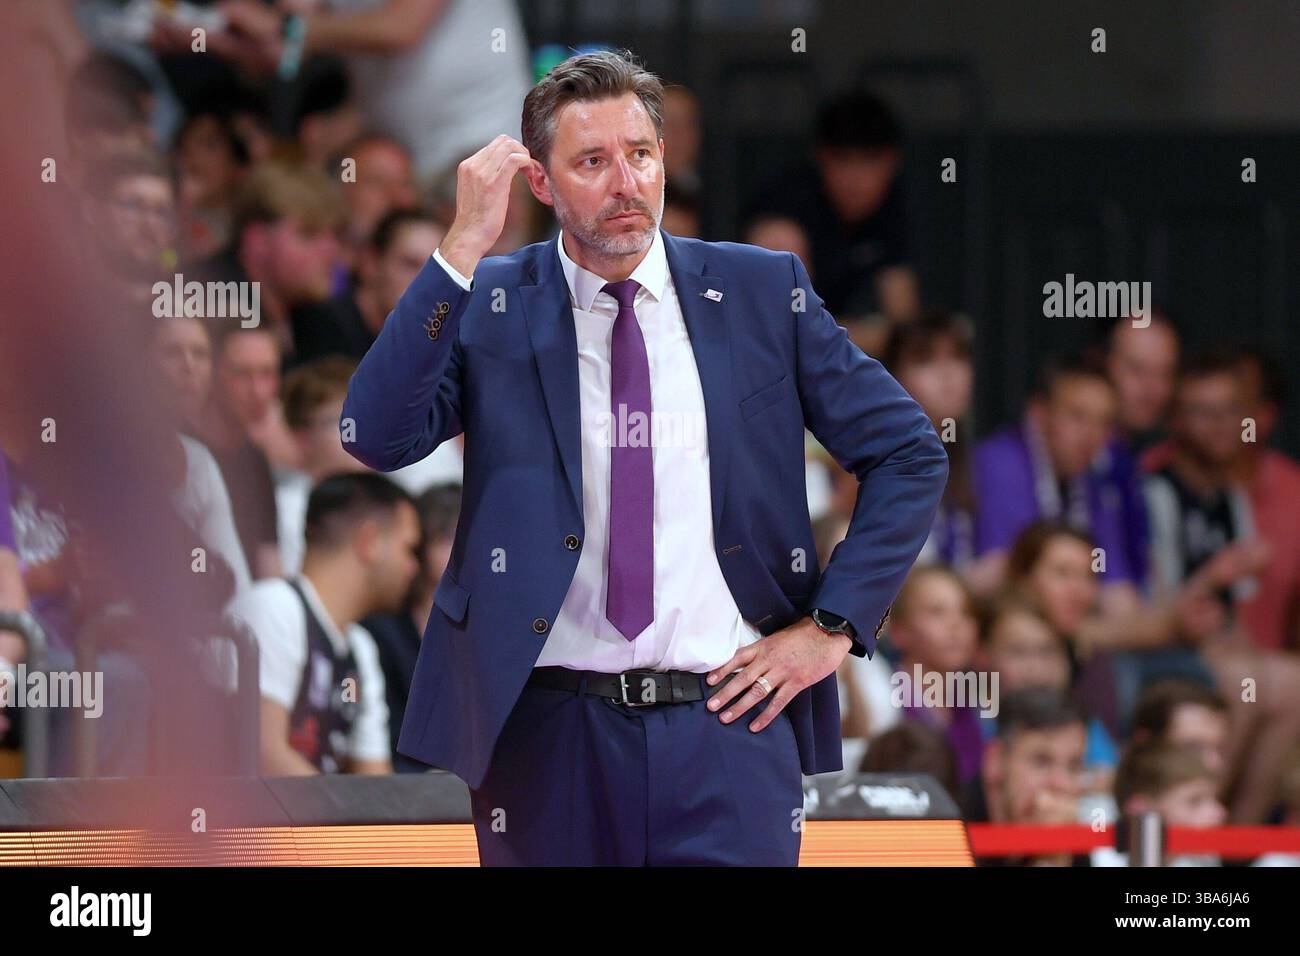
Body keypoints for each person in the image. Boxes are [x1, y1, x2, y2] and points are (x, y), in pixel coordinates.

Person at [341, 50, 949, 866]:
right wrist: (457, 252)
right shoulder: (491, 301)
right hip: (545, 732)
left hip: (731, 725)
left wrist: (833, 627)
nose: (625, 183)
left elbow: (910, 452)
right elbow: (374, 435)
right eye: (592, 161)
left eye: (641, 154)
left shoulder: (764, 292)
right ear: (543, 185)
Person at [228, 473, 419, 775]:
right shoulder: (274, 607)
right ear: (369, 542)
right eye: (409, 549)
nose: (413, 567)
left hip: (318, 818)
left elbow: (376, 785)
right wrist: (344, 814)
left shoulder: (360, 649)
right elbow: (263, 753)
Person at [964, 688, 1090, 866]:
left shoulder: (1069, 833)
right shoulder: (952, 830)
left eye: (1074, 766)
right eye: (1041, 762)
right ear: (995, 761)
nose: (1060, 784)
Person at [1090, 740, 1226, 867]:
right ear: (1141, 810)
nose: (1219, 813)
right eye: (1194, 801)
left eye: (1215, 799)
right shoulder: (1098, 860)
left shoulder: (1205, 861)